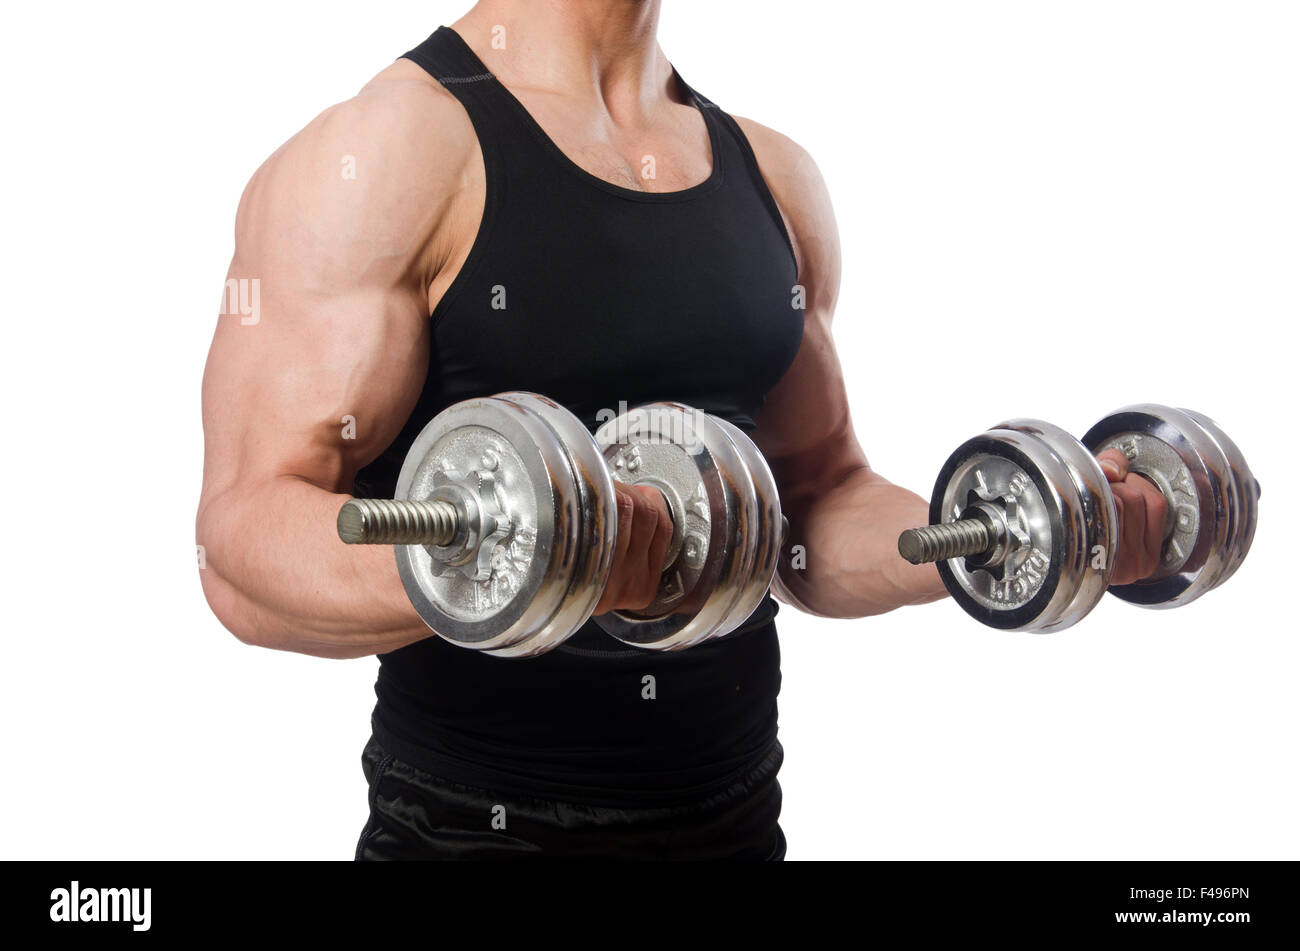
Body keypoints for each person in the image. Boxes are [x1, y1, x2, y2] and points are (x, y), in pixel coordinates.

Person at [197, 0, 1166, 860]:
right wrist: (541, 565)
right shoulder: (390, 150)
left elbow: (811, 511)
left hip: (735, 817)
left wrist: (1023, 531)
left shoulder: (772, 176)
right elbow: (240, 552)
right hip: (467, 826)